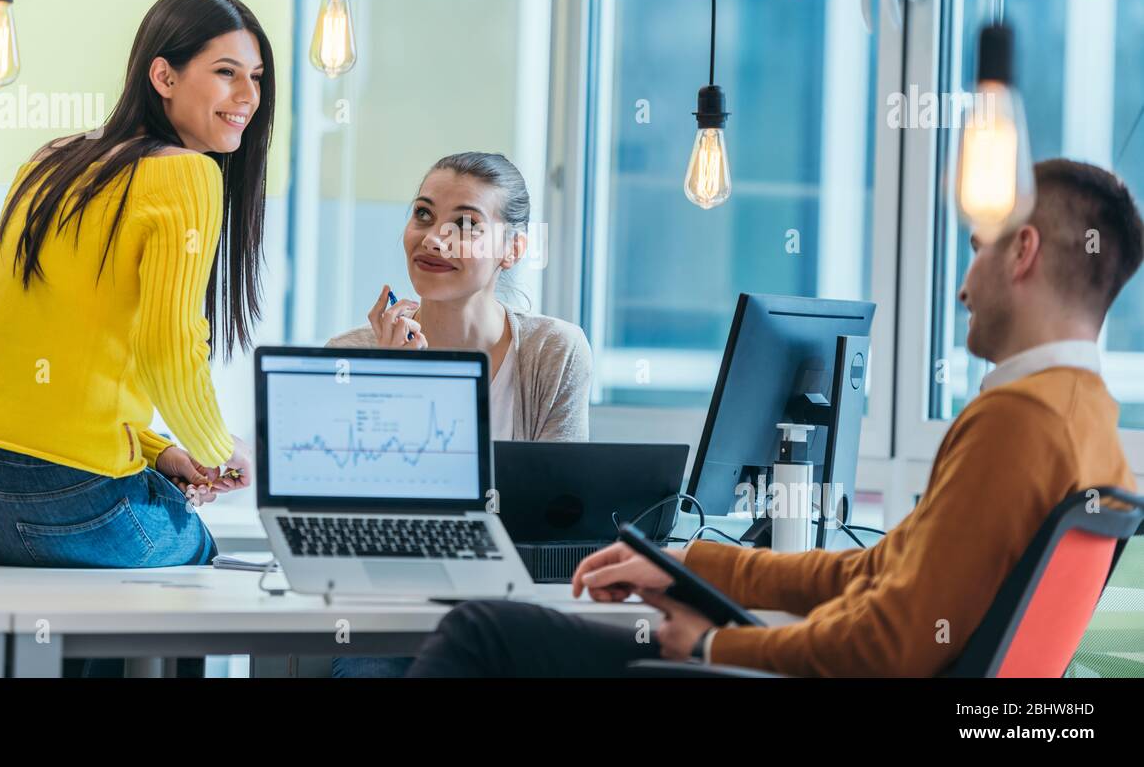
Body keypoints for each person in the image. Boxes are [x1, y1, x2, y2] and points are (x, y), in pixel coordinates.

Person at [407, 158, 1142, 677]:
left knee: (482, 634)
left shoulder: (1015, 421)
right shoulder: (1087, 424)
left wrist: (708, 647)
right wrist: (695, 563)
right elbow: (879, 569)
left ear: (1024, 251)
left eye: (978, 250)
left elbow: (891, 644)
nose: (961, 286)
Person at [0, 0, 271, 570]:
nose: (248, 97)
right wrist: (219, 450)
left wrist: (160, 452)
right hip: (58, 494)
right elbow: (167, 348)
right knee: (201, 553)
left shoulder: (53, 157)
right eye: (227, 72)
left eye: (256, 78)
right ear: (164, 77)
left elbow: (36, 336)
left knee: (86, 590)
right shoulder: (188, 175)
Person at [328, 150, 592, 675]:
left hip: (512, 614)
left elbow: (557, 525)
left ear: (512, 249)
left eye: (466, 223)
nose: (433, 238)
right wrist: (397, 386)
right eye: (423, 214)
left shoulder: (554, 351)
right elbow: (353, 531)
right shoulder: (351, 354)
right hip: (392, 616)